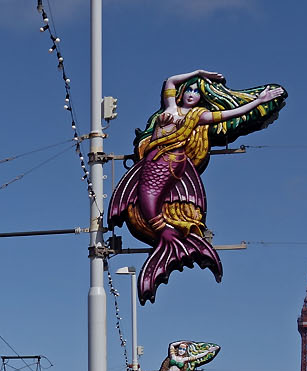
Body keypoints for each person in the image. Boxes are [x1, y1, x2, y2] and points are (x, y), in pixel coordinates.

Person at [107, 70, 286, 303]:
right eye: (189, 90)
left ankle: (171, 236)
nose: (192, 94)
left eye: (197, 92)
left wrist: (259, 101)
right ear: (181, 94)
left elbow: (229, 114)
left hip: (173, 163)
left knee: (152, 194)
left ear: (201, 99)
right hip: (152, 162)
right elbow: (170, 80)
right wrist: (200, 72)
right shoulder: (169, 108)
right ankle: (165, 232)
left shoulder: (199, 116)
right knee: (141, 195)